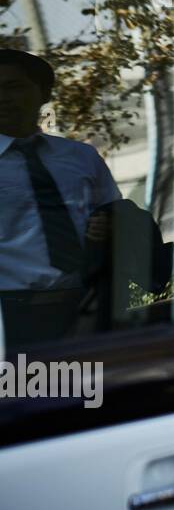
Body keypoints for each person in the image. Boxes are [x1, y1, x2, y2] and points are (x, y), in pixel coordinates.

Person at [0, 48, 121, 348]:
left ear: (43, 93)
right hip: (13, 318)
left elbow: (115, 217)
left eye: (12, 87)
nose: (2, 98)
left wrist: (109, 226)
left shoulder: (80, 156)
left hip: (92, 304)